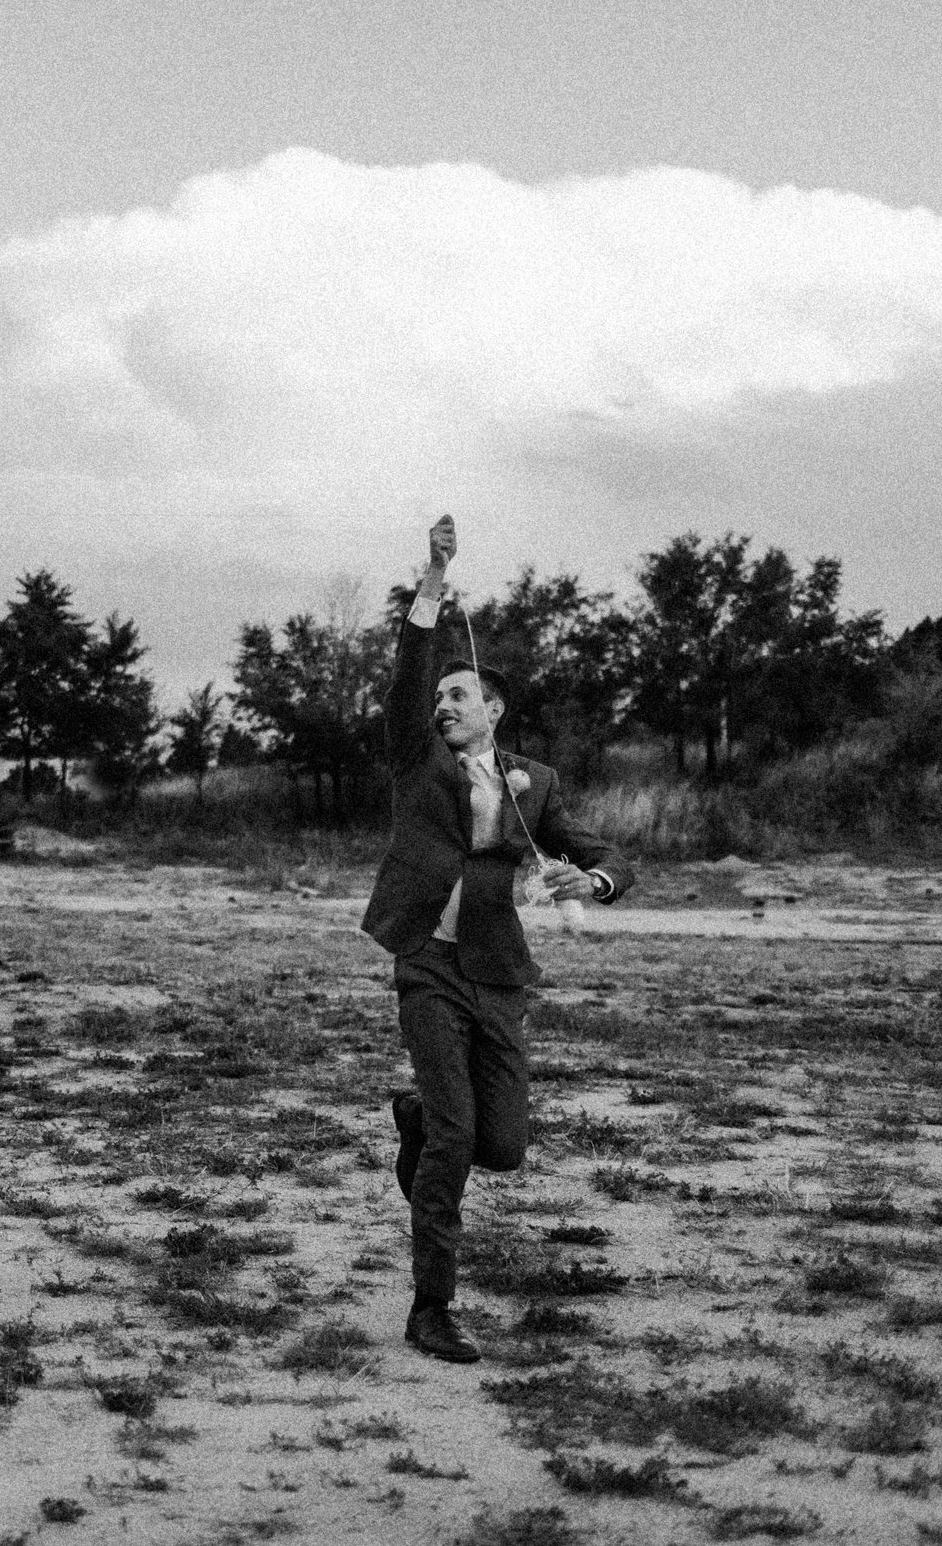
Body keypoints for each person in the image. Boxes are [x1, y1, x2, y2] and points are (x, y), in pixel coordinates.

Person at [361, 515, 633, 1364]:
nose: (443, 705)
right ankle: (431, 1308)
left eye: (460, 695)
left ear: (494, 710)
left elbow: (604, 853)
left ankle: (415, 1118)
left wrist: (591, 883)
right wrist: (435, 577)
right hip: (428, 962)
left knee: (503, 1147)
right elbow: (408, 675)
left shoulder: (533, 781)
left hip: (499, 972)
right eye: (439, 697)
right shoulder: (416, 757)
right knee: (454, 1138)